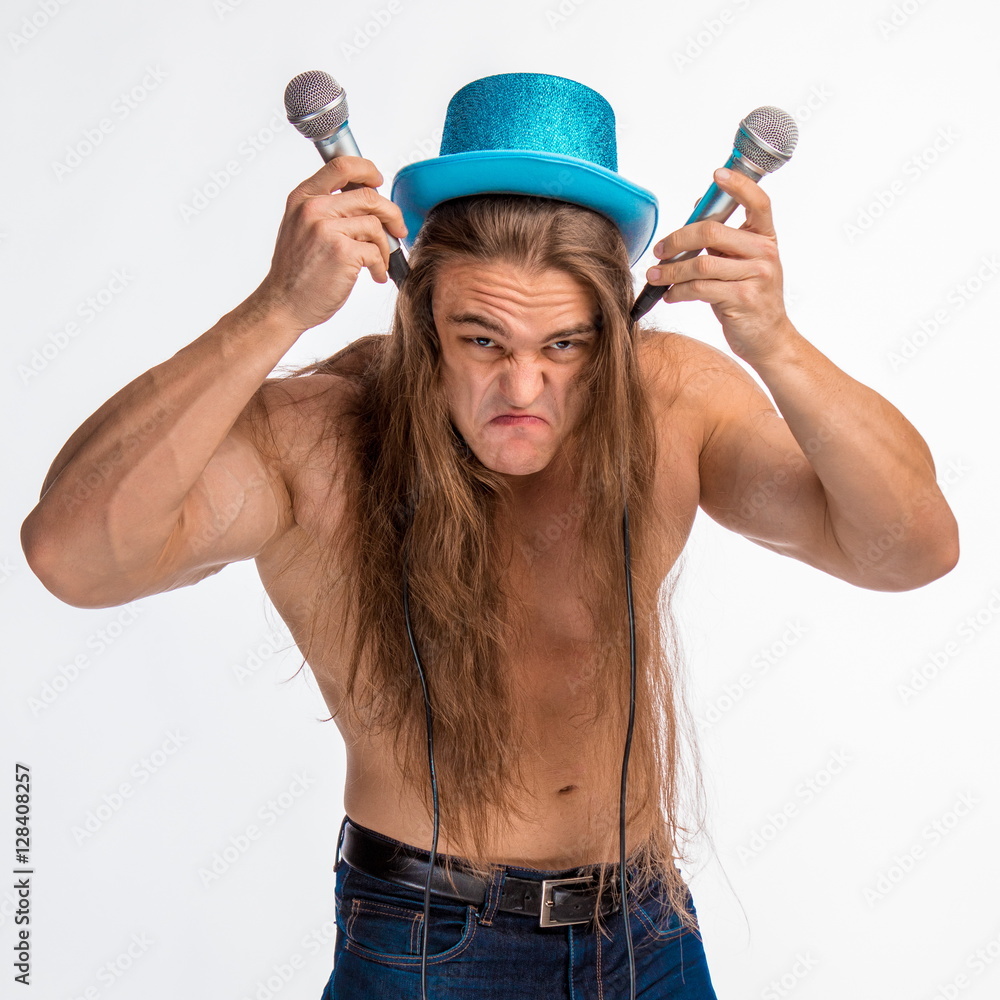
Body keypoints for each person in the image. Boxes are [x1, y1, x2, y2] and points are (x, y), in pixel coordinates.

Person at [20, 73, 959, 999]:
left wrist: (776, 341)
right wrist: (278, 308)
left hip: (645, 929)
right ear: (419, 310)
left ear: (617, 324)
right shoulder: (315, 435)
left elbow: (912, 546)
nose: (522, 391)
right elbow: (73, 555)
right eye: (481, 341)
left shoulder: (671, 398)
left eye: (564, 346)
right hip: (427, 940)